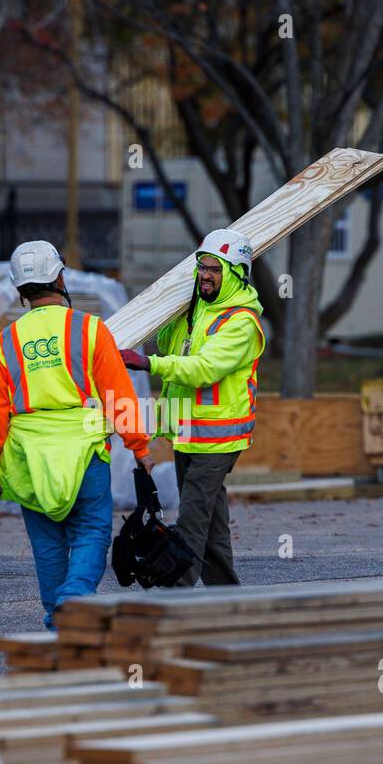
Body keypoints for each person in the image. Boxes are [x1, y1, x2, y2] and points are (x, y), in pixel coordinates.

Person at [0, 240, 154, 630]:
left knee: (48, 544)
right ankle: (73, 602)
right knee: (91, 532)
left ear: (20, 289)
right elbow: (117, 395)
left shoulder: (6, 343)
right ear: (59, 277)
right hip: (84, 451)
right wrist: (139, 447)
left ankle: (57, 619)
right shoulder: (90, 330)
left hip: (28, 459)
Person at [120, 228, 264, 587]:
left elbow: (204, 370)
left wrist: (149, 364)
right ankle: (227, 601)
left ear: (235, 273)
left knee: (191, 523)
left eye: (215, 269)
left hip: (218, 441)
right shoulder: (199, 310)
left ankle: (174, 599)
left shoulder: (241, 322)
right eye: (202, 268)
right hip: (189, 435)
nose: (206, 276)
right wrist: (170, 308)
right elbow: (171, 345)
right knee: (212, 527)